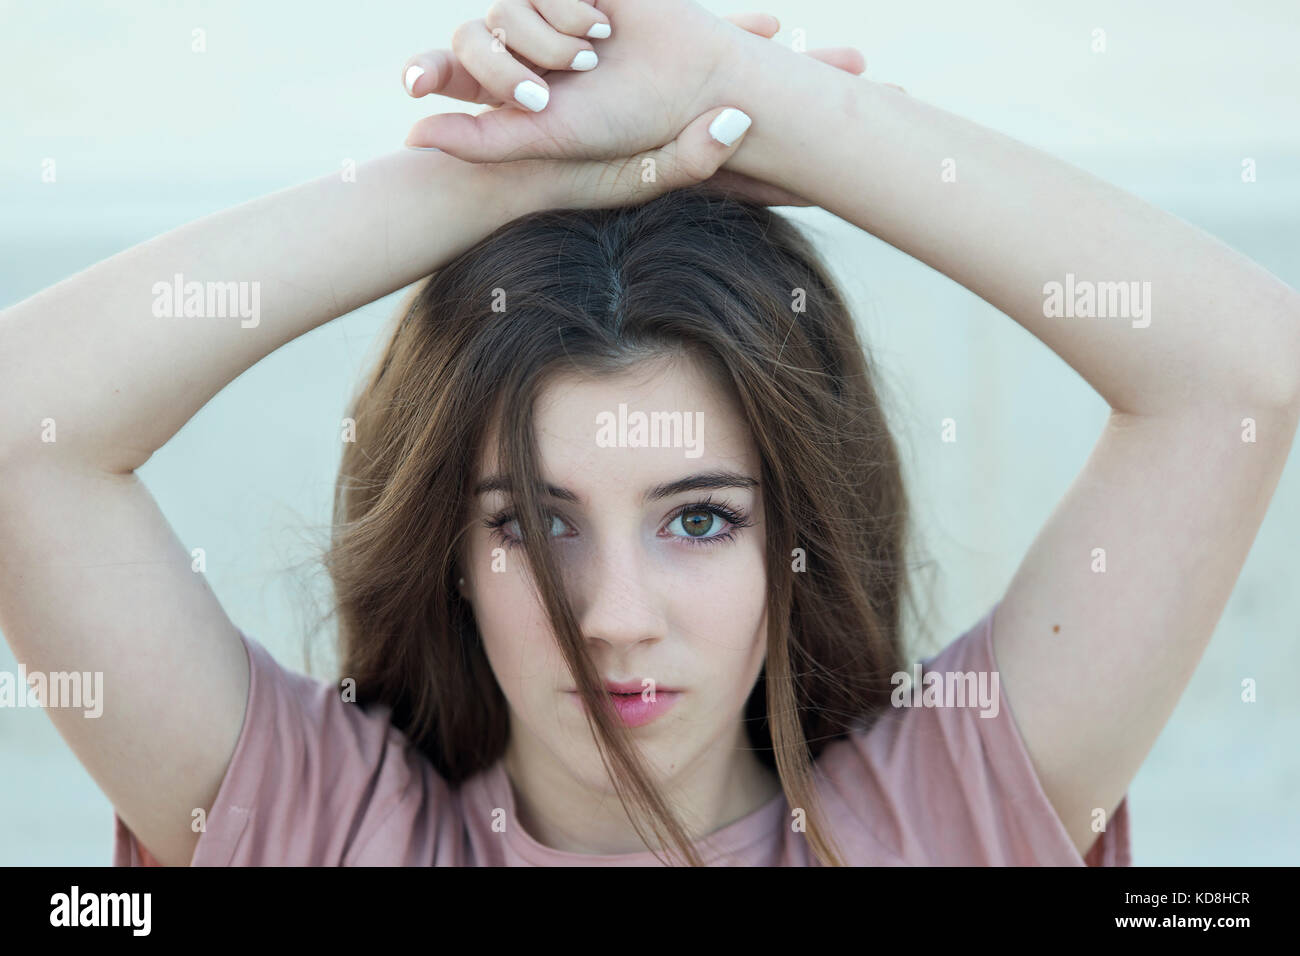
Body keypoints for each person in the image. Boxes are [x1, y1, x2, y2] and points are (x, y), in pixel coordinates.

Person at [1, 0, 1295, 867]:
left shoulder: (936, 830)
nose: (615, 615)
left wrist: (754, 97)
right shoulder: (333, 835)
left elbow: (1243, 373)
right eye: (536, 523)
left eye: (698, 519)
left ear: (799, 537)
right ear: (449, 549)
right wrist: (514, 170)